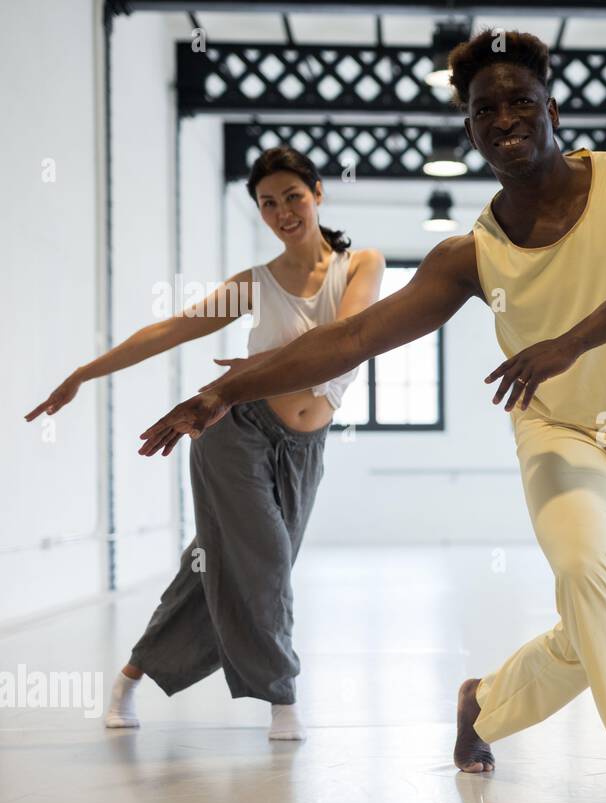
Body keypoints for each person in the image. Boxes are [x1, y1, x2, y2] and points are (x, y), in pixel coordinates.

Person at [136, 31, 606, 803]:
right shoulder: (470, 253)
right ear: (469, 130)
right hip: (559, 437)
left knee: (597, 637)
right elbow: (350, 339)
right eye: (484, 110)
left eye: (518, 100)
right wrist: (225, 390)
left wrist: (571, 339)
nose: (504, 117)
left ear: (553, 107)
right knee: (588, 576)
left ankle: (482, 705)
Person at [27, 146, 385, 740]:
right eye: (267, 204)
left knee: (213, 566)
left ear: (318, 193)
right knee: (265, 559)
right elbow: (171, 328)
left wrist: (261, 358)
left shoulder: (362, 264)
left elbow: (347, 336)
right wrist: (83, 374)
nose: (282, 212)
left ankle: (129, 678)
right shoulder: (256, 283)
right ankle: (282, 698)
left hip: (305, 447)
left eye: (292, 197)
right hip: (235, 432)